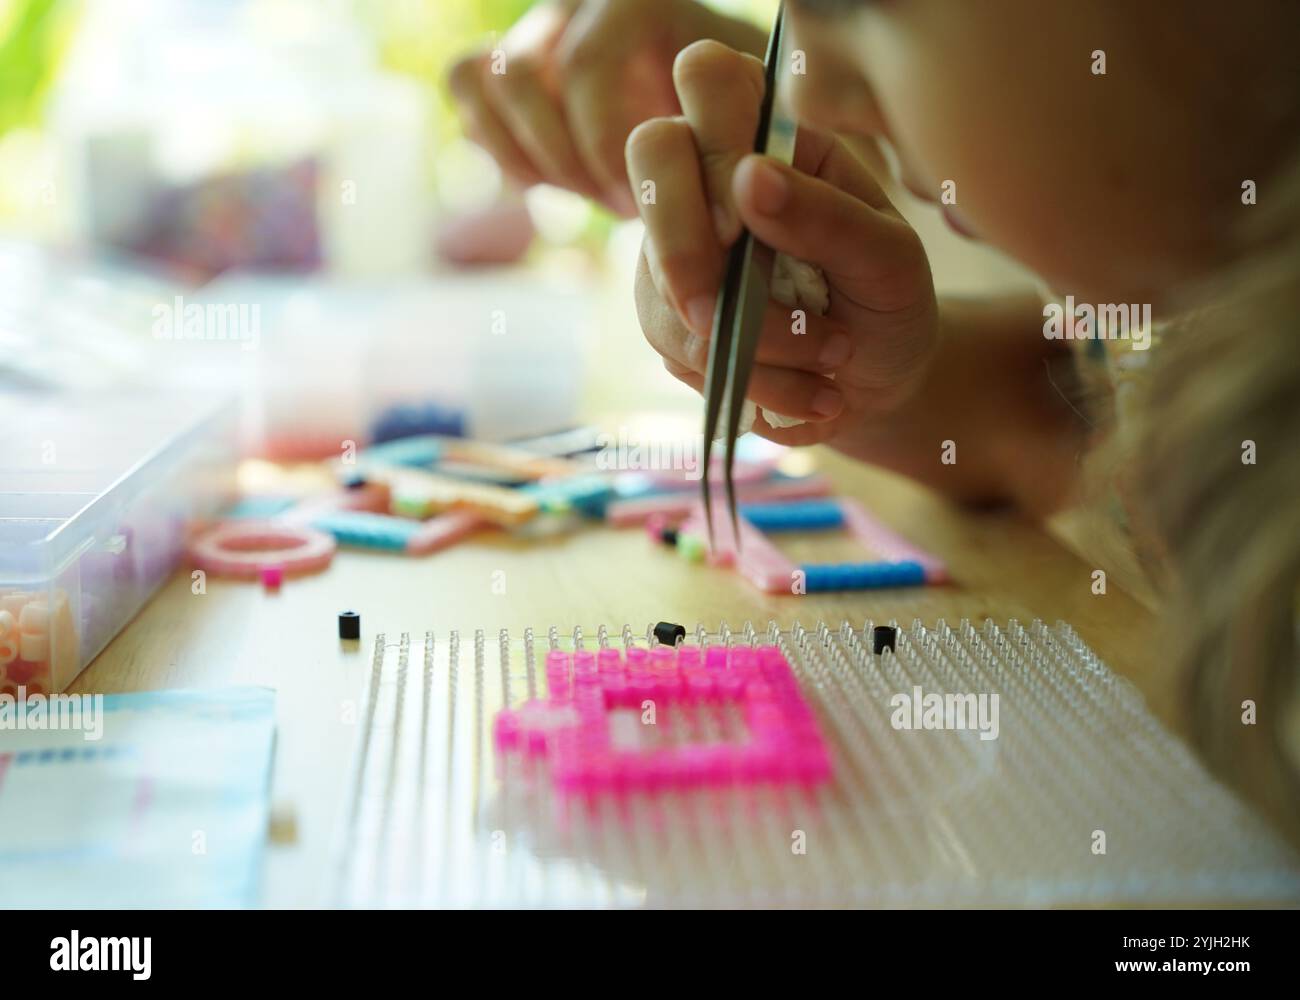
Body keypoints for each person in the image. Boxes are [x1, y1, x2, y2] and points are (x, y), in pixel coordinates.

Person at [450, 0, 1300, 842]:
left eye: (855, 6)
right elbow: (1074, 416)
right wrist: (886, 370)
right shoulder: (1219, 338)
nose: (806, 94)